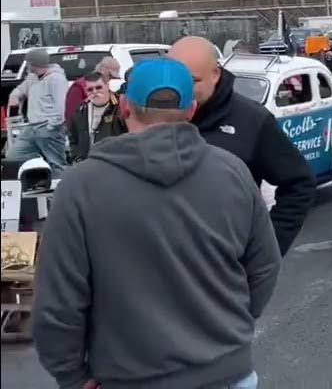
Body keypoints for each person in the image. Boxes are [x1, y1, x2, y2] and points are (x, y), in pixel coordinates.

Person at [33, 58, 280, 389]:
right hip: (229, 373)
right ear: (192, 109)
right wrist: (230, 325)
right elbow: (264, 266)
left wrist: (71, 374)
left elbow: (58, 300)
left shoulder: (81, 186)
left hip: (128, 377)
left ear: (123, 106)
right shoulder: (233, 172)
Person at [169, 36, 316, 254]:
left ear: (215, 74)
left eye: (193, 81)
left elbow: (299, 184)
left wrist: (268, 248)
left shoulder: (251, 120)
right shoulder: (154, 114)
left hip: (227, 265)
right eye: (174, 79)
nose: (182, 90)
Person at [6, 48, 70, 178]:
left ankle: (62, 192)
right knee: (13, 155)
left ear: (34, 64)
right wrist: (15, 95)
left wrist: (52, 126)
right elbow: (21, 89)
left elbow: (62, 106)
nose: (27, 65)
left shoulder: (56, 79)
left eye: (28, 63)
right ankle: (40, 165)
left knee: (57, 164)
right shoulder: (32, 77)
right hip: (32, 128)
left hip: (49, 128)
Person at [66, 71, 126, 164]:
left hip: (115, 163)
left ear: (107, 85)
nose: (95, 92)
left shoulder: (120, 106)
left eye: (99, 87)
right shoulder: (80, 110)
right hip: (88, 164)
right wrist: (77, 157)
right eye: (90, 89)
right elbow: (73, 138)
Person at [62, 57, 122, 123]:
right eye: (110, 75)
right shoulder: (79, 87)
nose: (111, 79)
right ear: (102, 70)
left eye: (113, 77)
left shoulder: (106, 88)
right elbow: (71, 114)